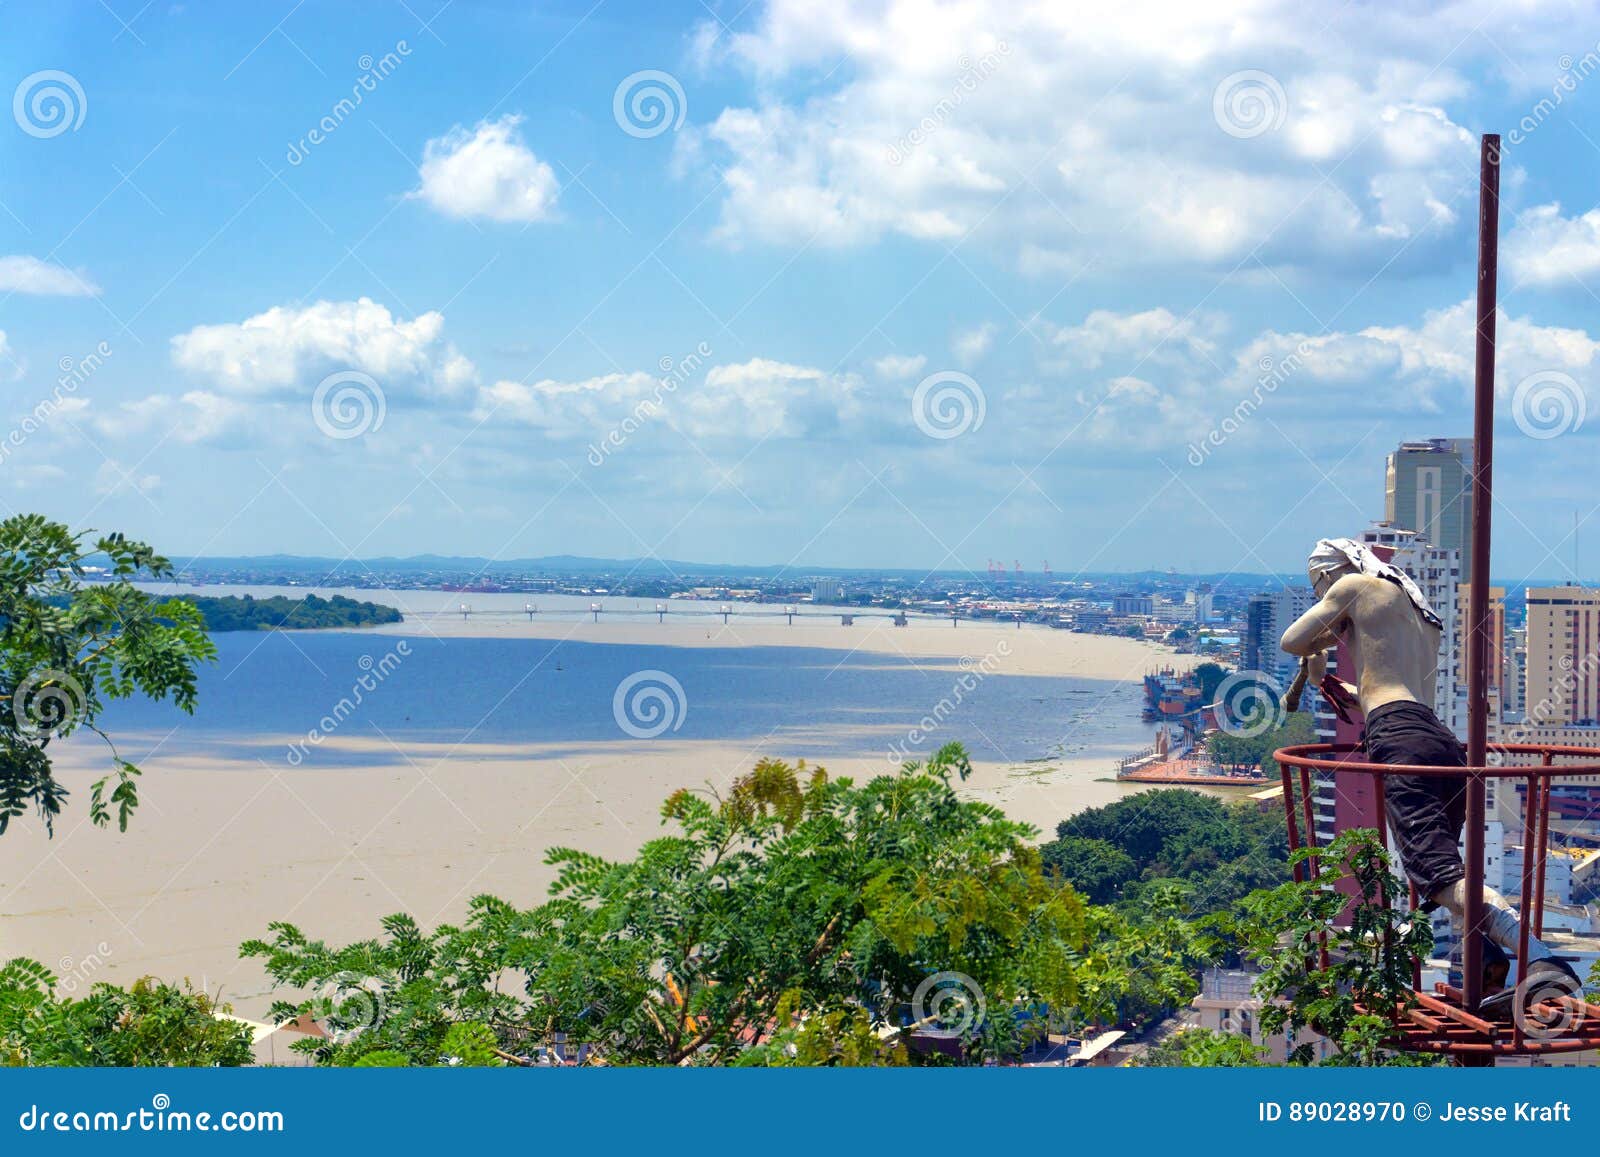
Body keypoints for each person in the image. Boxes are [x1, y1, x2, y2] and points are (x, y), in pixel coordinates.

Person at [1279, 537, 1582, 1018]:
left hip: (1400, 743)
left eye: (1321, 586)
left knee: (1443, 879)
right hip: (1437, 741)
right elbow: (1388, 692)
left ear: (1332, 572)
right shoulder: (1418, 614)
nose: (1325, 596)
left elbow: (1290, 640)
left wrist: (1318, 638)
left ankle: (1543, 962)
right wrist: (1328, 681)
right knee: (1448, 875)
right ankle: (1489, 967)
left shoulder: (1355, 586)